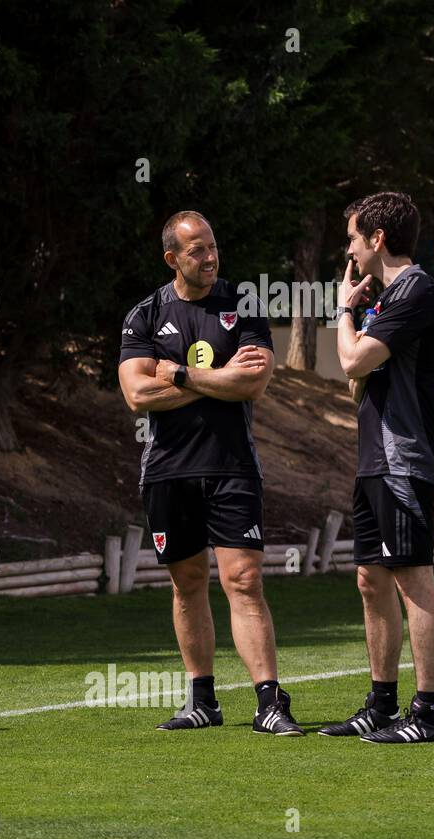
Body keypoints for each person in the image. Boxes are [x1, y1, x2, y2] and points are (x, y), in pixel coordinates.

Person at [118, 211, 302, 736]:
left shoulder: (241, 302)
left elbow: (254, 383)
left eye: (213, 246)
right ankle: (202, 699)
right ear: (172, 258)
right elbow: (136, 394)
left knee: (243, 580)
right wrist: (219, 377)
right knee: (187, 583)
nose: (209, 257)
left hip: (232, 465)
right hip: (169, 470)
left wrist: (176, 372)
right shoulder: (145, 315)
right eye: (196, 250)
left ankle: (269, 701)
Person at [321, 191, 434, 743]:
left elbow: (351, 359)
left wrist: (344, 311)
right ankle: (381, 705)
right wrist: (362, 317)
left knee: (412, 579)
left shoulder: (417, 290)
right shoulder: (388, 298)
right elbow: (355, 381)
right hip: (375, 454)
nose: (348, 249)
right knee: (371, 579)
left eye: (353, 237)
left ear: (377, 239)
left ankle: (429, 714)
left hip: (405, 457)